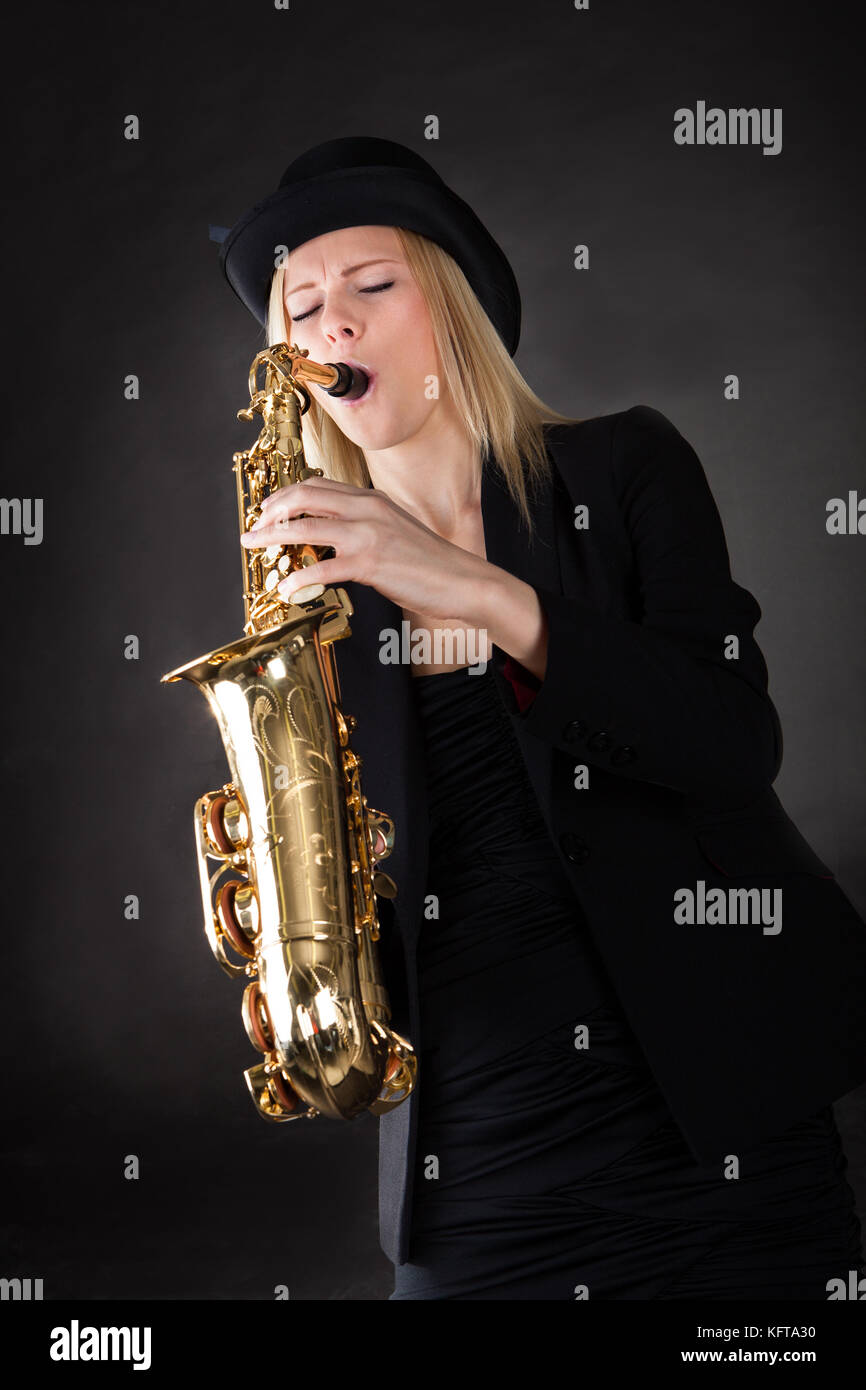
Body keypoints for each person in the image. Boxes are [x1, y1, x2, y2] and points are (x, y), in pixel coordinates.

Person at [220, 136, 866, 1300]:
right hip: (481, 1149)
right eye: (300, 306)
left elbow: (727, 740)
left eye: (372, 285)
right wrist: (290, 910)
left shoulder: (623, 466)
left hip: (718, 1108)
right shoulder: (309, 601)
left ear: (453, 308)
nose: (333, 326)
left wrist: (467, 588)